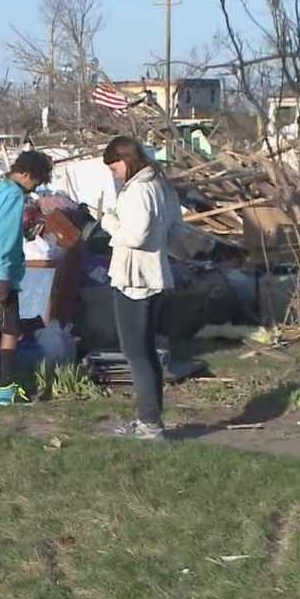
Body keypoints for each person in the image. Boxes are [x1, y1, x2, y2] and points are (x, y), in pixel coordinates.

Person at [100, 136, 178, 441]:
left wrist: (108, 222)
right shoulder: (160, 185)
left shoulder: (139, 190)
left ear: (126, 159)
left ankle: (149, 424)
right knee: (145, 351)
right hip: (153, 274)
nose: (114, 173)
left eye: (114, 166)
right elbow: (174, 225)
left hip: (135, 278)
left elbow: (135, 235)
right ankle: (149, 419)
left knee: (136, 353)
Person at [0, 150, 53, 406]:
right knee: (11, 330)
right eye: (36, 181)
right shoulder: (13, 196)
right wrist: (4, 276)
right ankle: (7, 388)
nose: (35, 188)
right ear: (26, 174)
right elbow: (6, 237)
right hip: (1, 271)